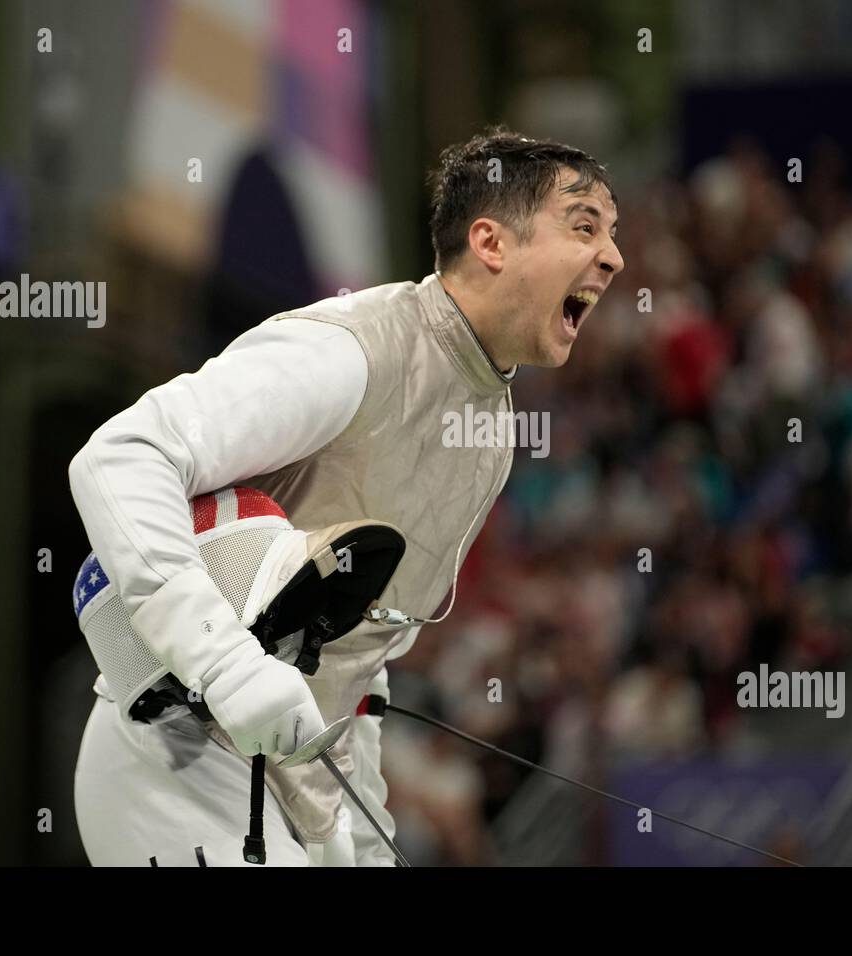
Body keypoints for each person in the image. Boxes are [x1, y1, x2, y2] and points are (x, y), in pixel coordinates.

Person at [68, 125, 625, 866]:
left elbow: (360, 653)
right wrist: (228, 665)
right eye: (584, 226)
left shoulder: (487, 430)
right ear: (491, 243)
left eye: (613, 235)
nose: (615, 258)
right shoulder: (352, 351)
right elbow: (118, 457)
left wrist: (356, 835)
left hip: (292, 790)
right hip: (178, 753)